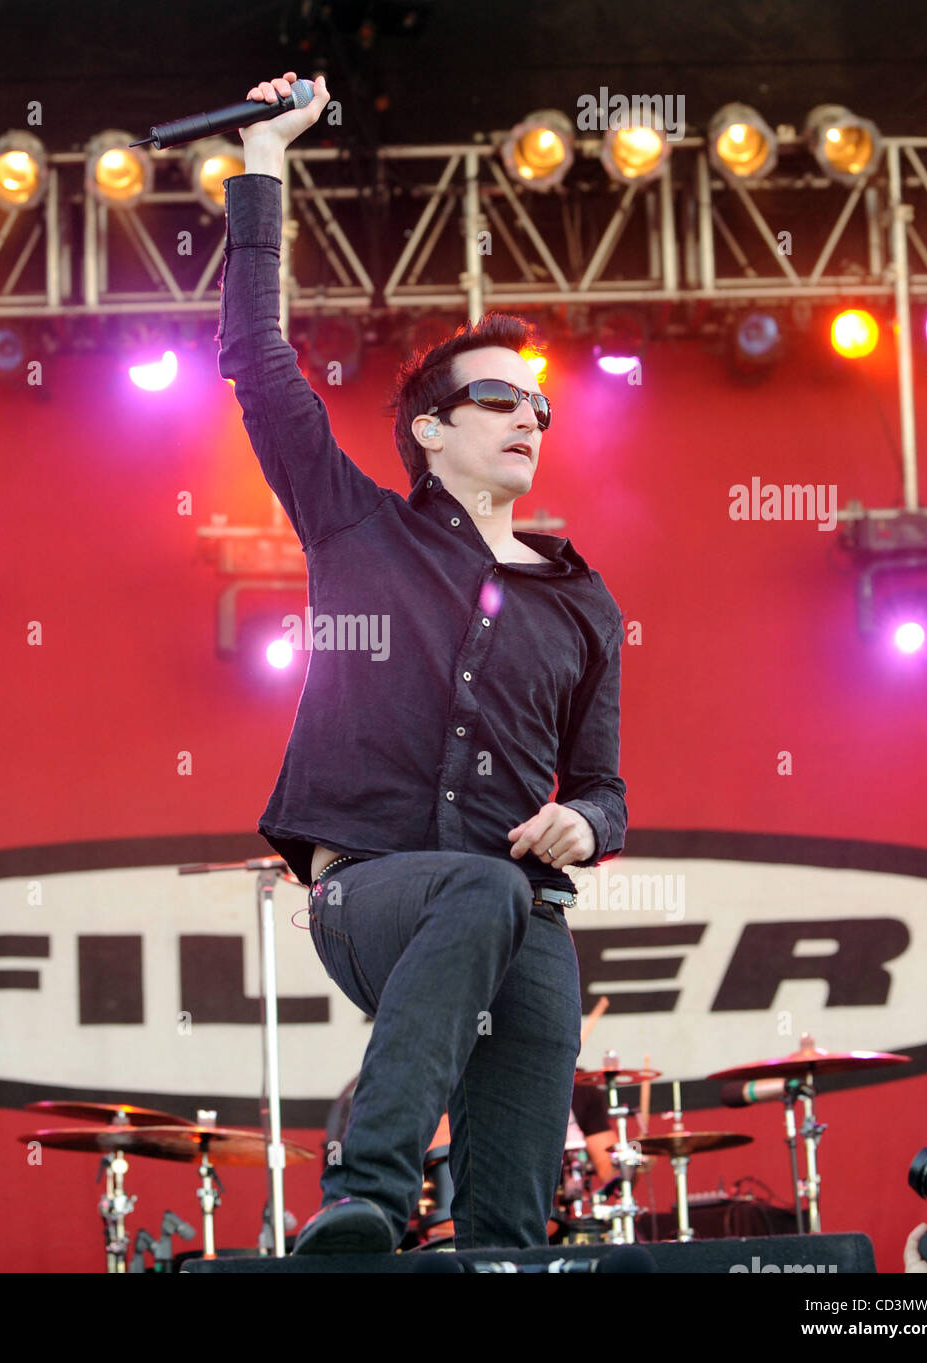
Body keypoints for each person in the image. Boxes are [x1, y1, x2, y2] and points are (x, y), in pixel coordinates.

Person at [218, 72, 627, 1253]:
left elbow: (601, 786)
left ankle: (478, 1238)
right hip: (370, 891)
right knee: (479, 884)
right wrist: (263, 159)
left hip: (523, 920)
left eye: (540, 407)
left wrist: (585, 830)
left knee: (512, 1229)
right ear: (430, 431)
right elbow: (255, 356)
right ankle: (365, 1193)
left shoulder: (583, 599)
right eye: (496, 398)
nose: (528, 418)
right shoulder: (359, 526)